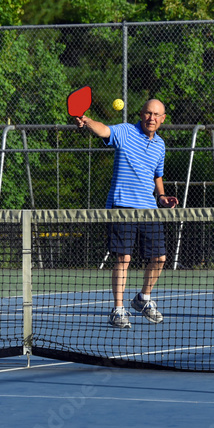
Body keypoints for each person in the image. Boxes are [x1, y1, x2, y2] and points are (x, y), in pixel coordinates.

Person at [75, 99, 178, 328]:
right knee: (124, 258)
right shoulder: (125, 131)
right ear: (141, 114)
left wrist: (161, 197)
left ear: (162, 119)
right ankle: (118, 309)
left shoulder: (160, 145)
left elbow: (157, 175)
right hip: (121, 206)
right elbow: (104, 129)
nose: (151, 118)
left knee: (159, 258)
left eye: (156, 115)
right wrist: (88, 120)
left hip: (149, 209)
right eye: (148, 113)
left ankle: (143, 298)